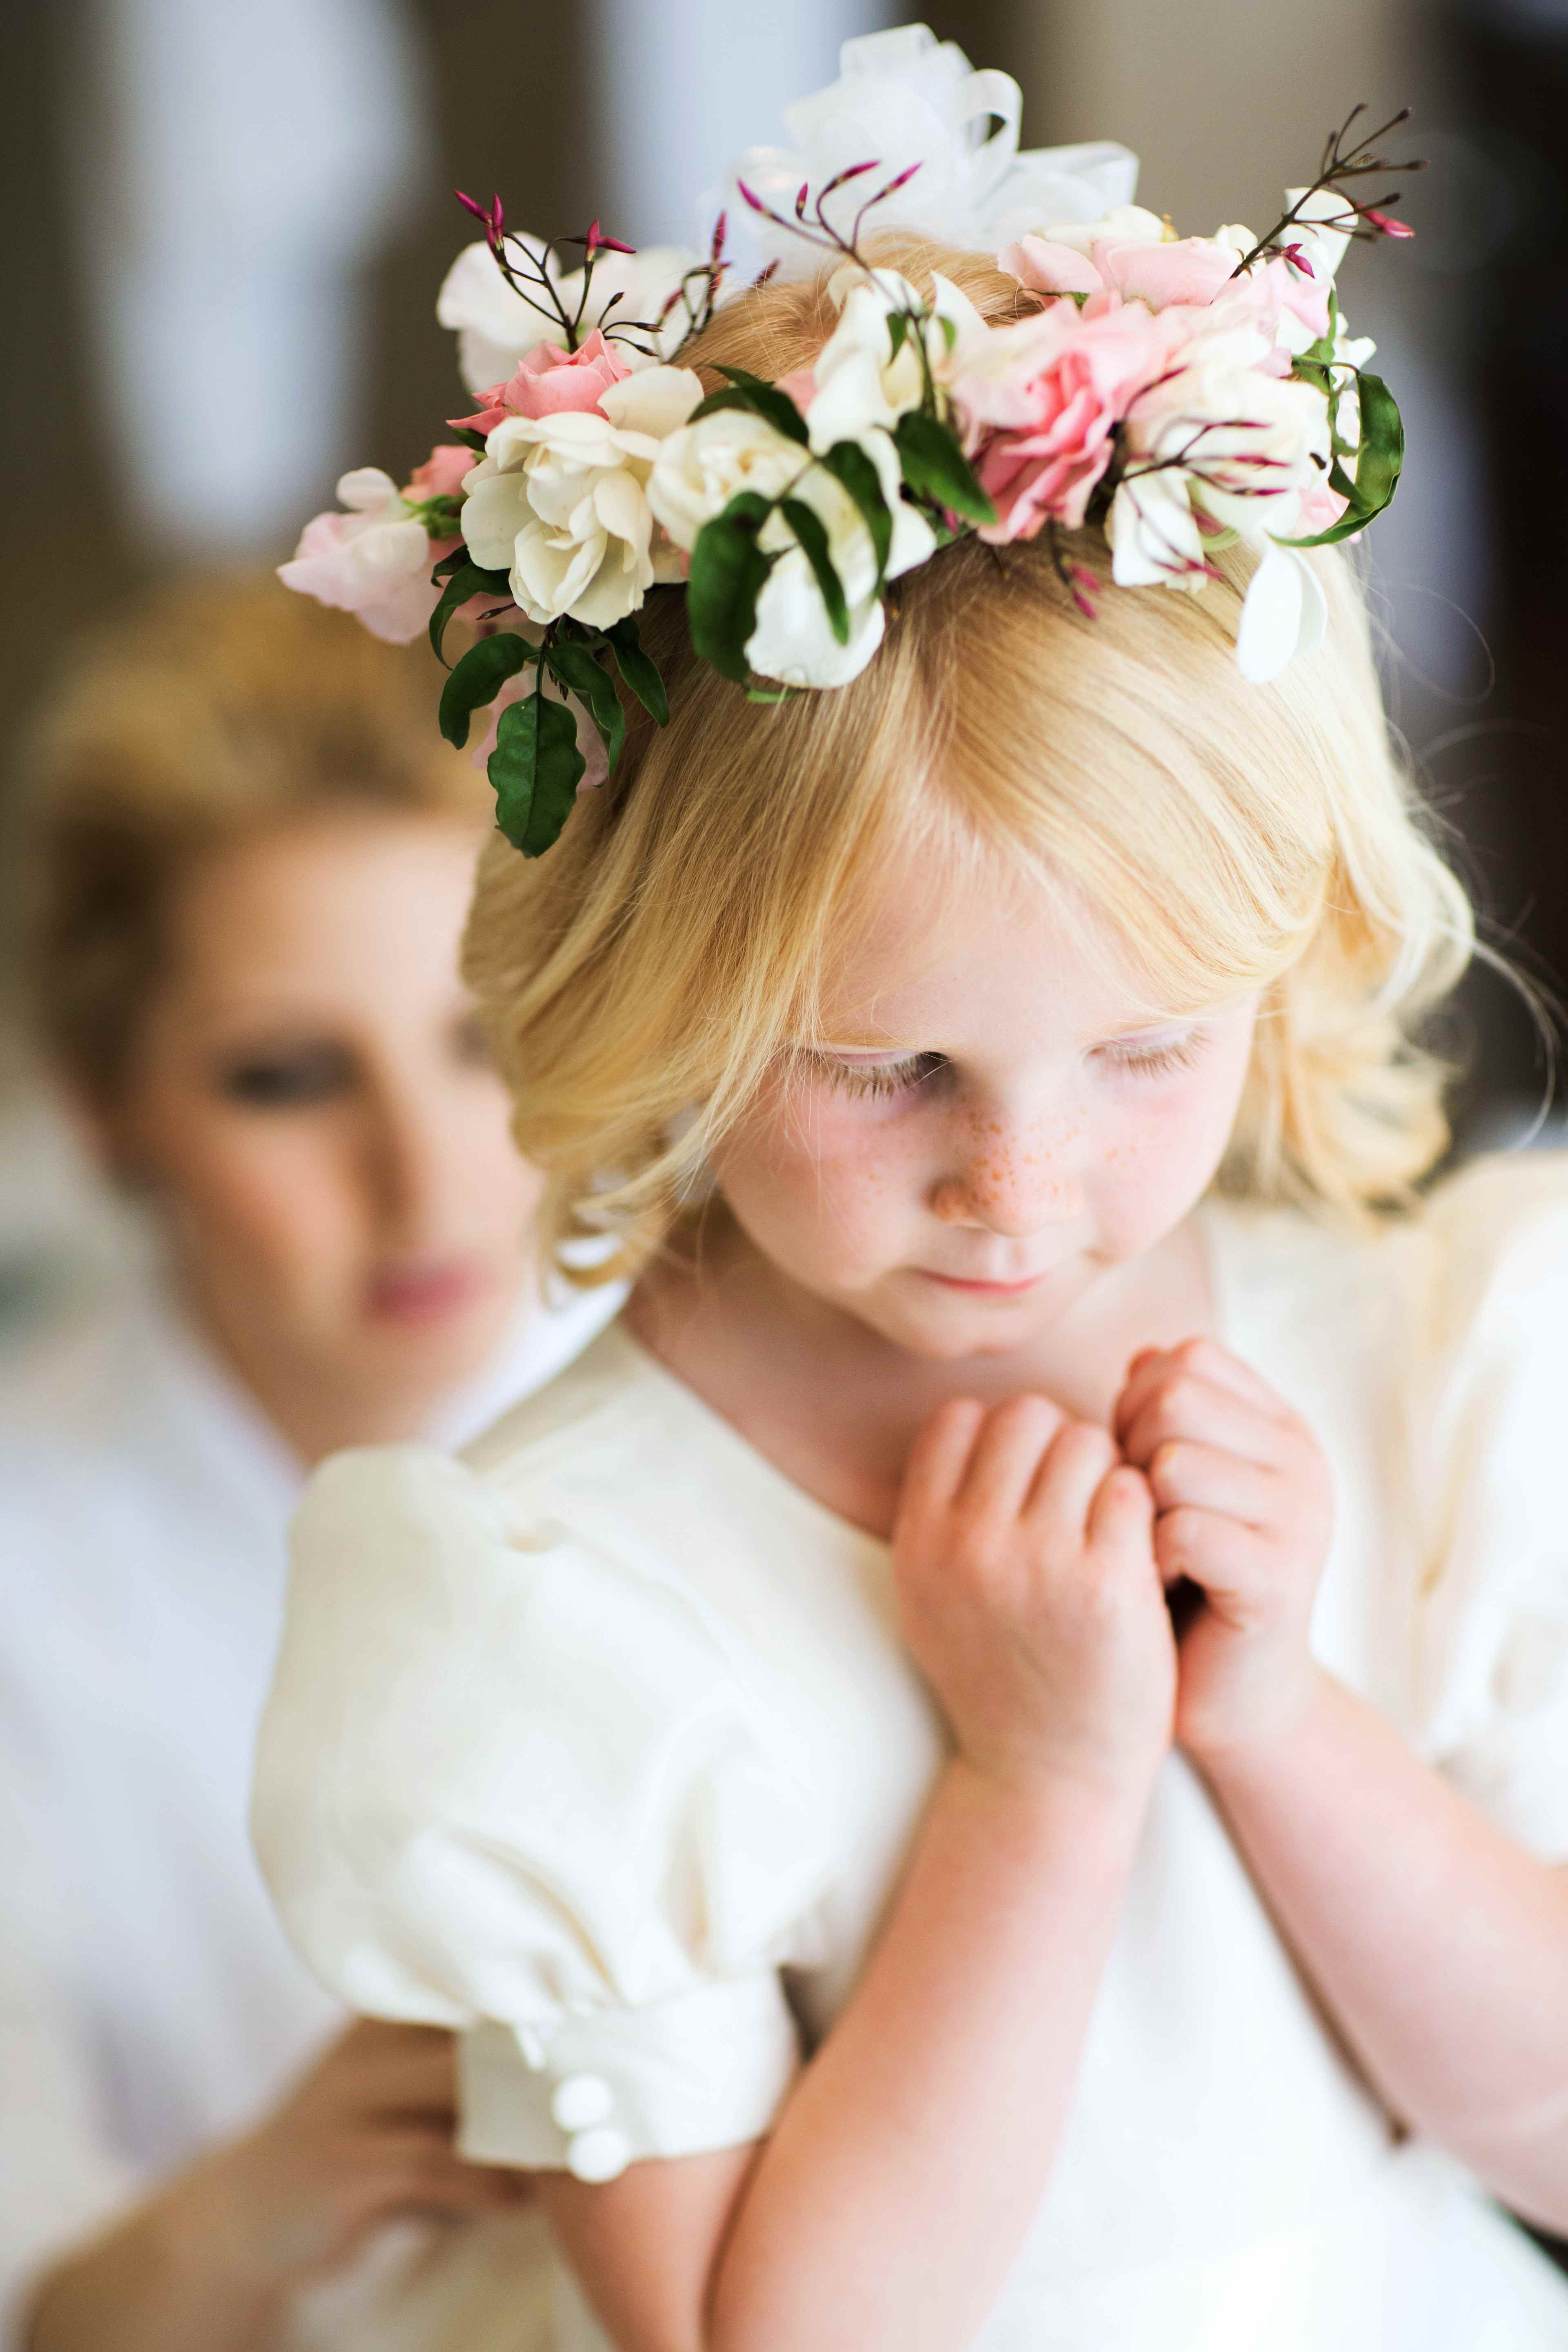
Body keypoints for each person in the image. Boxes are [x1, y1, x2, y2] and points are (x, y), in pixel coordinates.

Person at [252, 43, 1568, 2352]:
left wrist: (1270, 1716)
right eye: (888, 1069)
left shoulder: (1428, 1367)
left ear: (1284, 971)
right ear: (661, 995)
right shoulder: (555, 1613)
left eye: (1150, 1050)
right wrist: (1042, 1790)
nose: (1018, 1183)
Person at [2, 575, 617, 2352]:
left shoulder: (755, 1394)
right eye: (286, 1078)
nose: (426, 1183)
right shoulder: (23, 1579)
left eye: (481, 1044)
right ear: (105, 1102)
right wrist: (267, 2203)